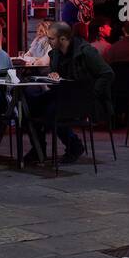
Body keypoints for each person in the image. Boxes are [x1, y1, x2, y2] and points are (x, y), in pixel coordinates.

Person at [31, 22, 113, 166]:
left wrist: (92, 93)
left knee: (52, 111)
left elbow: (107, 74)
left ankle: (74, 146)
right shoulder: (55, 53)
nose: (48, 41)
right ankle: (38, 149)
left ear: (63, 39)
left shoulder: (86, 51)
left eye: (51, 38)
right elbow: (57, 74)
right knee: (32, 106)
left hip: (84, 98)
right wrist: (53, 74)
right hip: (65, 94)